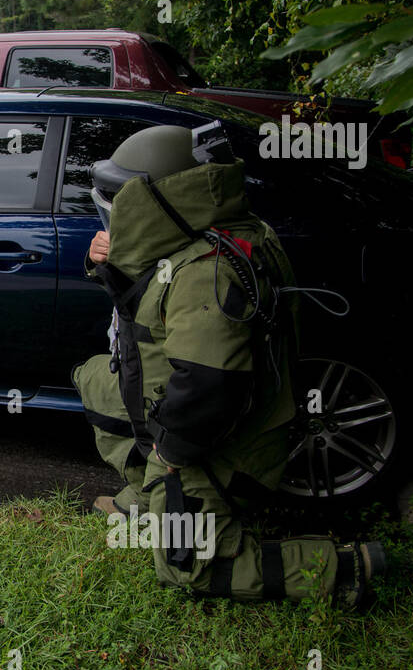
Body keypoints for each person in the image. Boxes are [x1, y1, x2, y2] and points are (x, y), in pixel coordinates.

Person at [73, 123, 385, 605]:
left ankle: (342, 567)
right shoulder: (214, 234)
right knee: (98, 380)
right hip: (195, 418)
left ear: (159, 199)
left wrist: (171, 457)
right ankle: (149, 495)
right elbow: (148, 319)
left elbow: (208, 385)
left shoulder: (205, 271)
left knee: (190, 569)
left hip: (221, 446)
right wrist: (113, 266)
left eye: (119, 198)